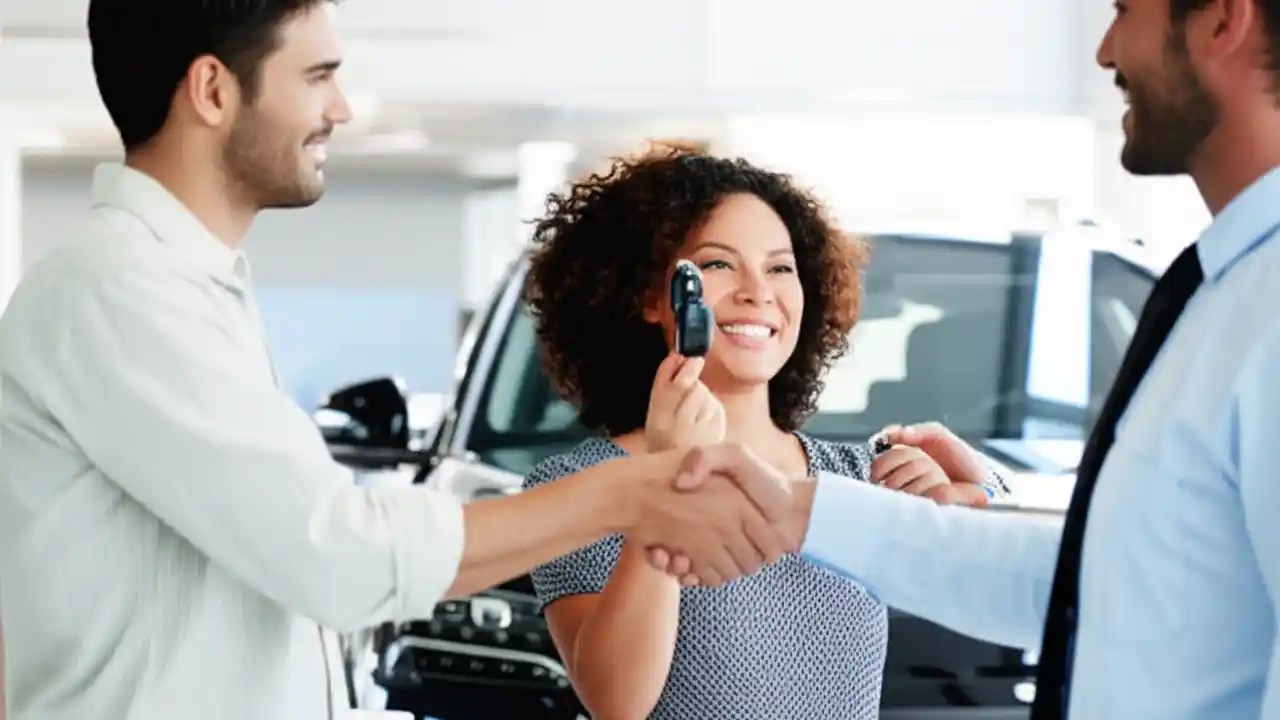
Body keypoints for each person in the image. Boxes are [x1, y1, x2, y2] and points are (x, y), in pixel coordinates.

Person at [0, 4, 796, 720]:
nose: (340, 109)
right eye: (317, 76)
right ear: (212, 90)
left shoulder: (187, 292)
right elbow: (343, 559)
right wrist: (633, 489)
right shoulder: (119, 293)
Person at [652, 1, 1280, 718]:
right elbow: (1108, 589)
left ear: (1224, 20)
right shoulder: (1225, 289)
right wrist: (799, 510)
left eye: (1124, 10)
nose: (1105, 52)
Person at [519, 147, 1009, 718]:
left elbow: (1027, 607)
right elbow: (617, 703)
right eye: (718, 265)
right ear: (652, 297)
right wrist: (665, 478)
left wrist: (979, 496)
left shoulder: (862, 477)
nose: (758, 291)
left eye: (780, 267)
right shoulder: (577, 483)